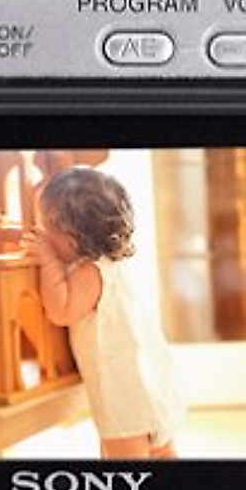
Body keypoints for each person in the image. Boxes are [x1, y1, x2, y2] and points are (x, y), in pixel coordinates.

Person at [24, 167, 180, 460]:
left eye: (45, 226)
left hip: (122, 393)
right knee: (161, 452)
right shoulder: (112, 265)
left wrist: (48, 261)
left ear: (71, 239)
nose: (40, 234)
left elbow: (62, 312)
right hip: (147, 383)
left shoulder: (89, 273)